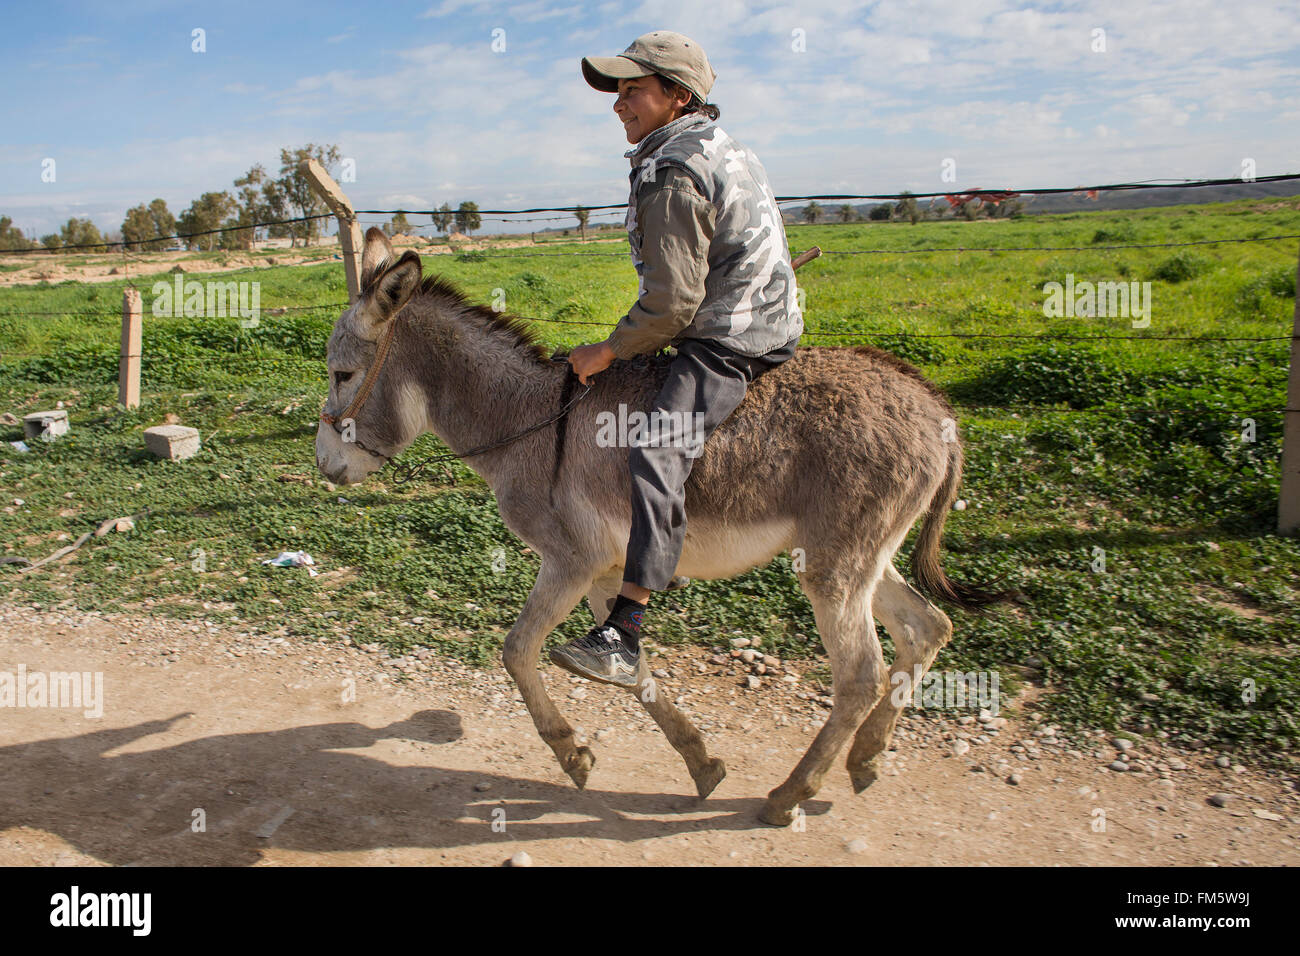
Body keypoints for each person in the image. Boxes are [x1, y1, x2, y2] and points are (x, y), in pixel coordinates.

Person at [550, 30, 803, 687]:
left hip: (729, 334)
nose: (619, 104)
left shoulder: (671, 168)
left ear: (677, 96)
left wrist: (606, 350)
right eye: (618, 91)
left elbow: (671, 304)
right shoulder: (723, 145)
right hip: (763, 312)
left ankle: (625, 629)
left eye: (633, 90)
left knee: (658, 448)